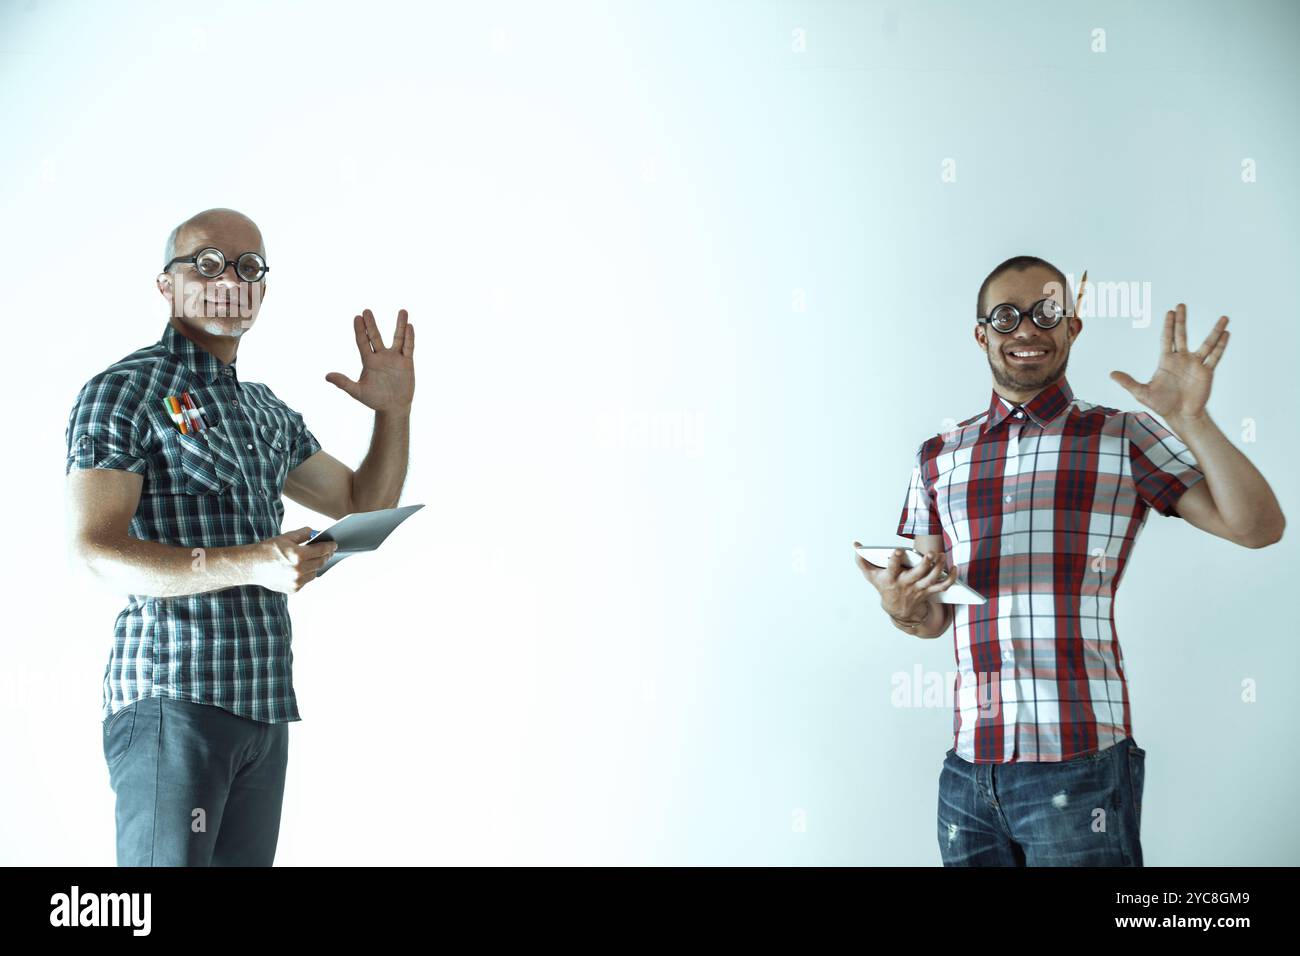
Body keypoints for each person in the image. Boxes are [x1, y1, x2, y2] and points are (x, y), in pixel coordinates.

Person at [854, 255, 1284, 866]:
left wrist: (1191, 418)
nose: (1026, 329)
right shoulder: (937, 456)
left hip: (1079, 765)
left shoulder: (1123, 436)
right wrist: (900, 607)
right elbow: (931, 615)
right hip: (968, 775)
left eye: (1046, 311)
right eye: (1006, 316)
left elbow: (1259, 528)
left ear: (1072, 326)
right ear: (982, 334)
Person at [64, 207, 415, 866]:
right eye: (205, 262)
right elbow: (95, 551)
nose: (229, 276)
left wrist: (393, 414)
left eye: (247, 266)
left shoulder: (262, 410)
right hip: (176, 701)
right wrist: (253, 561)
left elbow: (364, 500)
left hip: (262, 708)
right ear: (165, 286)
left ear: (262, 289)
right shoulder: (124, 392)